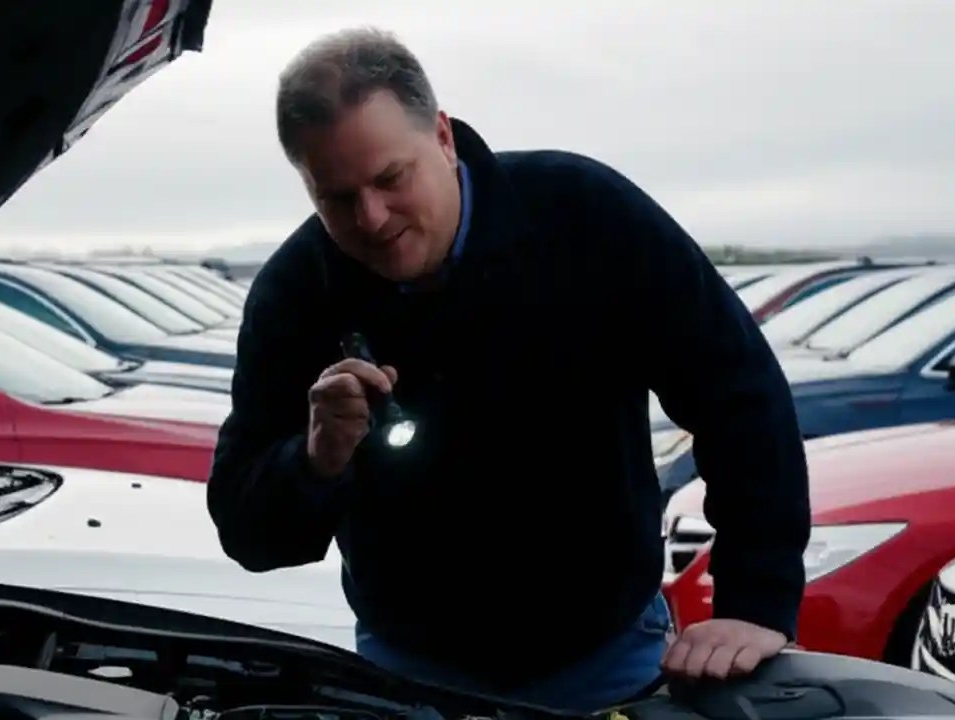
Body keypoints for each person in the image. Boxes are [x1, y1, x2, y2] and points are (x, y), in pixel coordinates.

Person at [207, 27, 810, 713]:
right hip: (409, 671)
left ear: (441, 137)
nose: (370, 218)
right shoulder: (295, 294)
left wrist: (756, 599)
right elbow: (246, 531)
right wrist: (317, 460)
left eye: (389, 179)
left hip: (606, 653)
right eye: (336, 197)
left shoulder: (585, 215)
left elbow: (738, 394)